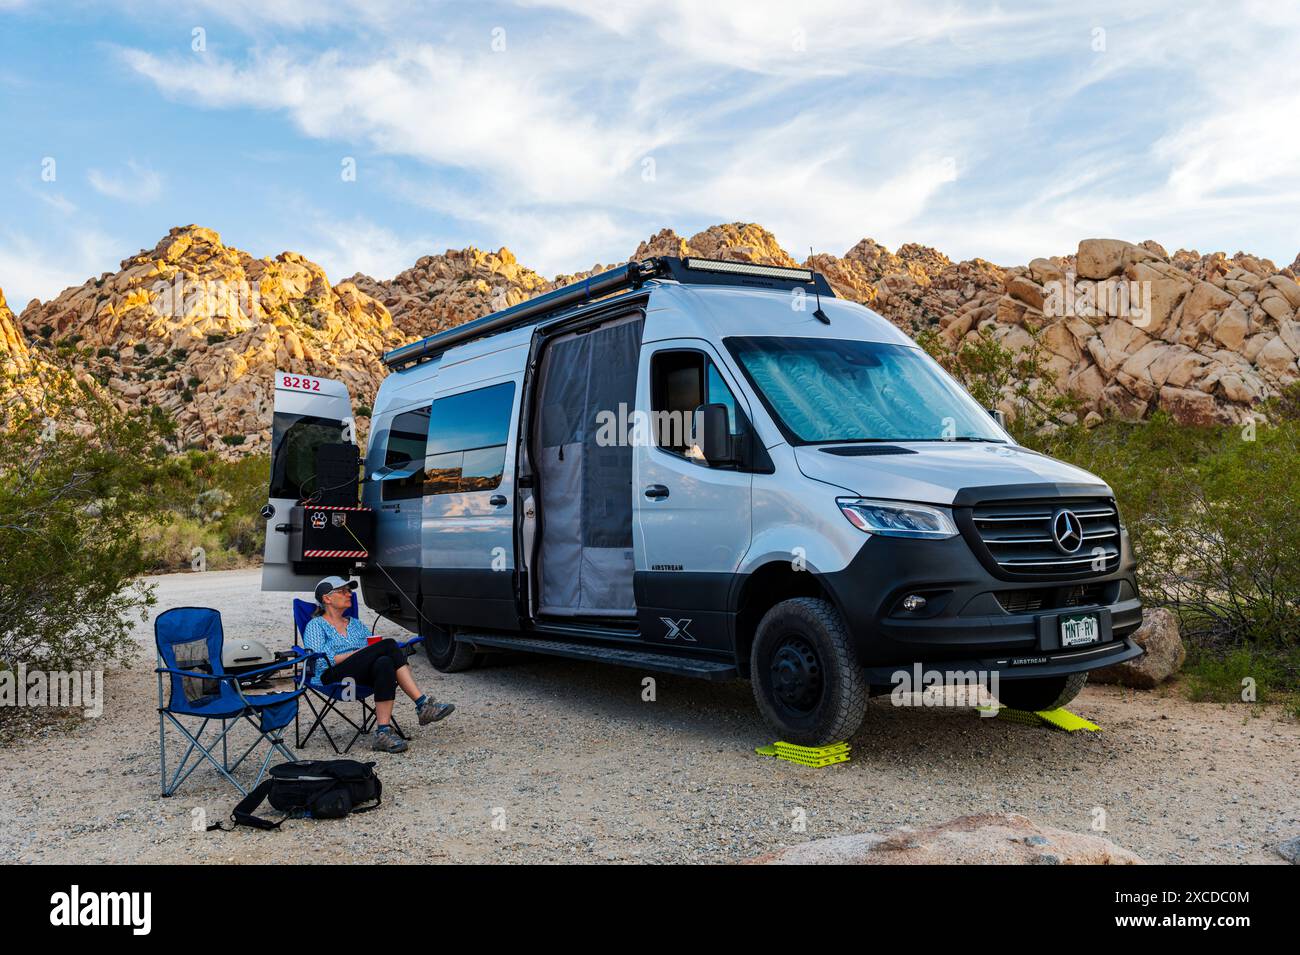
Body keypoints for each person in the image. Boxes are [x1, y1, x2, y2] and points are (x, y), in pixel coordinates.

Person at [301, 576, 454, 753]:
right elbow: (319, 660)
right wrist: (358, 653)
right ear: (327, 598)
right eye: (342, 591)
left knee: (384, 662)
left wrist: (369, 654)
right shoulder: (316, 625)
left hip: (361, 674)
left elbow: (373, 650)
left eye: (349, 590)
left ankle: (383, 733)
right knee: (388, 645)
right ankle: (422, 704)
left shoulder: (356, 624)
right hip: (332, 676)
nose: (349, 594)